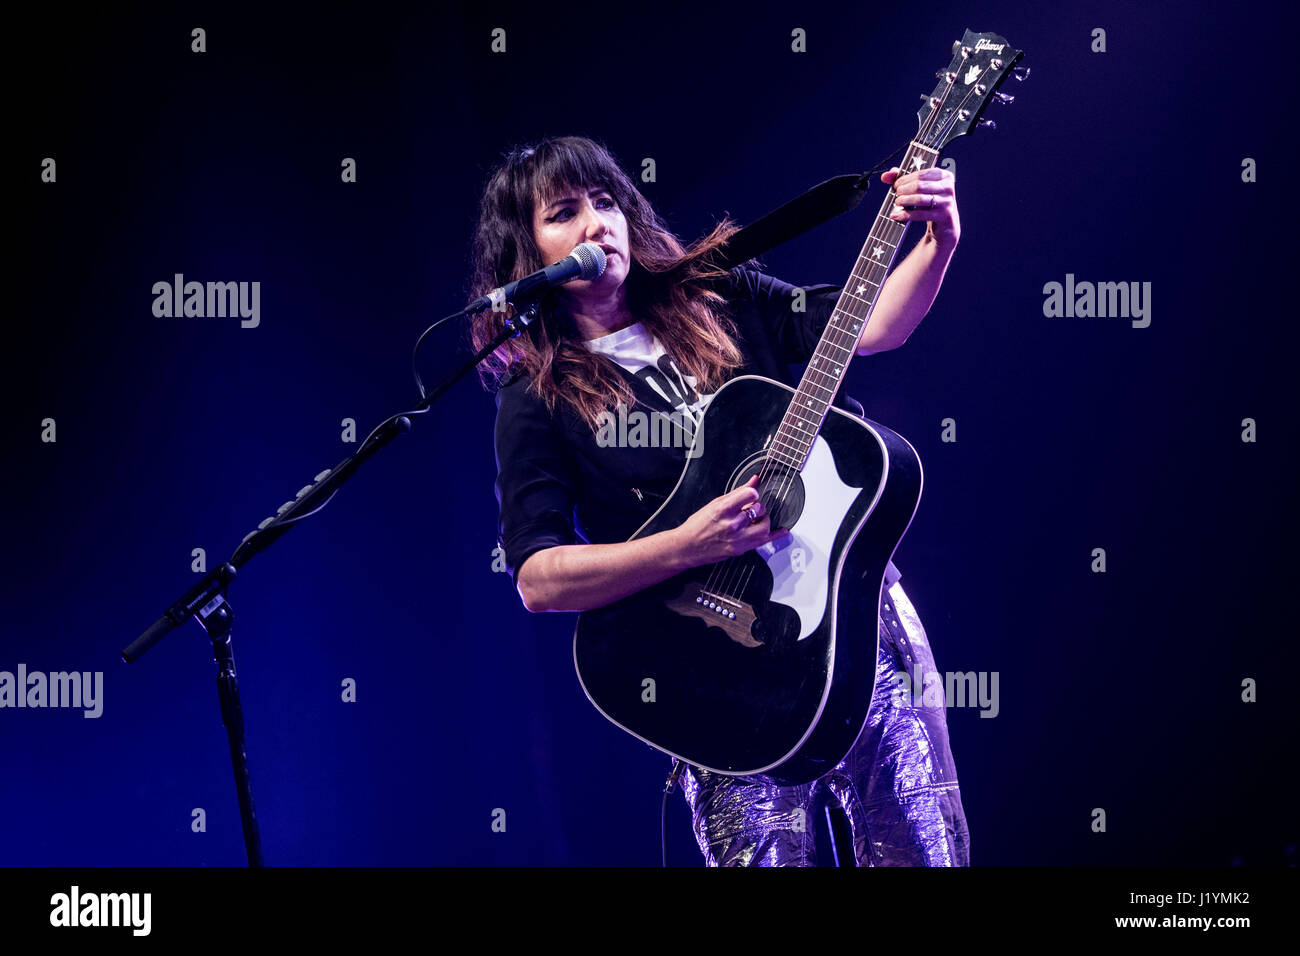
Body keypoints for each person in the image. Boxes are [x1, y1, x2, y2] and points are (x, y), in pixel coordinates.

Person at [471, 134, 970, 866]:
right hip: (718, 670)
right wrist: (688, 545)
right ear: (527, 251)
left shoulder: (721, 296)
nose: (595, 225)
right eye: (564, 212)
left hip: (858, 623)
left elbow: (874, 326)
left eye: (606, 202)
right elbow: (539, 578)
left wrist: (940, 240)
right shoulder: (534, 399)